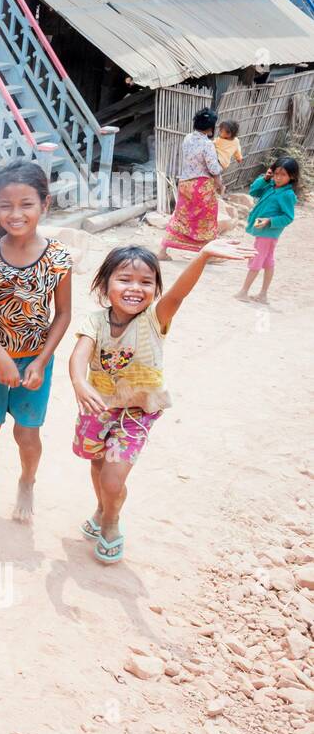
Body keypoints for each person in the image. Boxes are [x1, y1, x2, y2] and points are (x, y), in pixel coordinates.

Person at [71, 241, 254, 563]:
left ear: (155, 289)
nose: (134, 288)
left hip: (137, 412)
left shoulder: (155, 318)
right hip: (98, 408)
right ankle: (102, 508)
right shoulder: (94, 321)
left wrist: (203, 256)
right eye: (124, 279)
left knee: (113, 479)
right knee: (98, 467)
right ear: (104, 284)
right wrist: (78, 382)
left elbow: (179, 293)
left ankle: (111, 521)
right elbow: (79, 354)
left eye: (146, 282)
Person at [0, 159, 72, 526]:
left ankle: (26, 482)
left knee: (26, 431)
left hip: (36, 360)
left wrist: (39, 362)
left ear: (44, 204)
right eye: (5, 205)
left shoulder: (57, 258)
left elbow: (63, 314)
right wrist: (2, 358)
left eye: (26, 204)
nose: (15, 214)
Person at [160, 107, 223, 260]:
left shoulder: (187, 138)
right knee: (207, 218)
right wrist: (220, 182)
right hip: (201, 186)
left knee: (180, 217)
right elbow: (213, 168)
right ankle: (210, 254)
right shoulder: (207, 144)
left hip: (185, 183)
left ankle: (162, 251)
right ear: (210, 127)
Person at [236, 157, 299, 305]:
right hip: (264, 231)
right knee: (267, 261)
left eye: (283, 175)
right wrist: (265, 177)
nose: (278, 177)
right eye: (276, 173)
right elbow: (253, 191)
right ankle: (263, 295)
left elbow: (288, 217)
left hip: (268, 232)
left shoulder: (287, 194)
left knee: (256, 259)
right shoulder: (270, 185)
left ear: (292, 176)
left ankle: (243, 291)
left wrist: (270, 221)